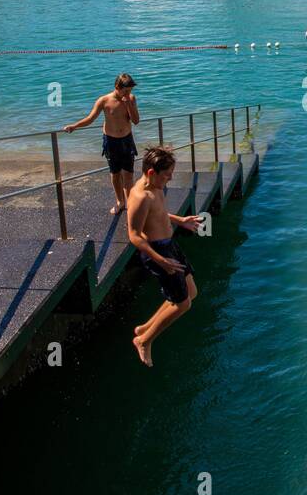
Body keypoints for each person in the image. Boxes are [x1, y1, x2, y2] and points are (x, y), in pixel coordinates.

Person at [127, 145, 204, 367]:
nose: (169, 180)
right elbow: (134, 236)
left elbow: (159, 214)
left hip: (170, 245)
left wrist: (180, 221)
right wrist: (161, 261)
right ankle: (144, 340)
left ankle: (144, 328)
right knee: (182, 304)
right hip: (158, 253)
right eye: (166, 176)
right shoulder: (140, 196)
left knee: (191, 292)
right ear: (152, 172)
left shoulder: (155, 188)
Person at [64, 72, 140, 214]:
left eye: (130, 91)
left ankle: (130, 203)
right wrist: (74, 126)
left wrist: (129, 103)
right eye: (126, 90)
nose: (128, 93)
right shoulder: (104, 100)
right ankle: (119, 201)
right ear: (117, 86)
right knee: (115, 173)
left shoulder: (131, 99)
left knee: (128, 173)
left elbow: (136, 121)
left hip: (126, 139)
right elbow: (90, 119)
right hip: (111, 141)